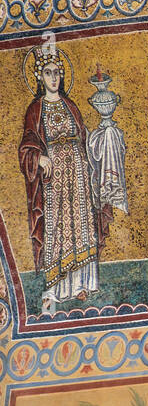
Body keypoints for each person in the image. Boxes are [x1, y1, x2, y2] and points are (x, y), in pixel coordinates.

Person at [19, 50, 112, 305]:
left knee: (81, 224)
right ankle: (57, 288)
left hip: (78, 173)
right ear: (40, 77)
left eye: (57, 73)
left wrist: (103, 137)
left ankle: (82, 284)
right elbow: (27, 143)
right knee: (58, 225)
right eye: (48, 73)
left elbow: (83, 137)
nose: (53, 78)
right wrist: (38, 157)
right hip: (54, 179)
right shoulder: (35, 109)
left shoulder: (70, 105)